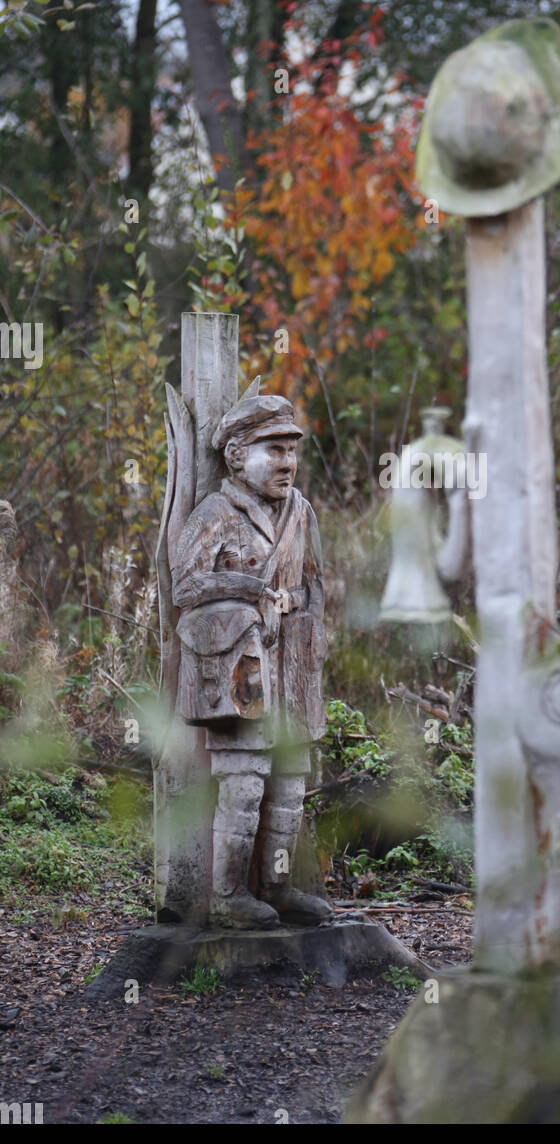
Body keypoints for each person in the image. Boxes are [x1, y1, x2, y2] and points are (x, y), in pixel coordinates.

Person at [172, 393, 331, 928]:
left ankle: (277, 887)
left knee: (288, 786)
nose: (287, 462)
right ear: (236, 456)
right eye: (273, 450)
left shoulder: (301, 511)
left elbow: (315, 583)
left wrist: (306, 622)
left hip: (293, 672)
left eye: (292, 450)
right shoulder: (215, 513)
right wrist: (246, 588)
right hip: (241, 674)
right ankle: (227, 895)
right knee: (244, 783)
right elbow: (184, 586)